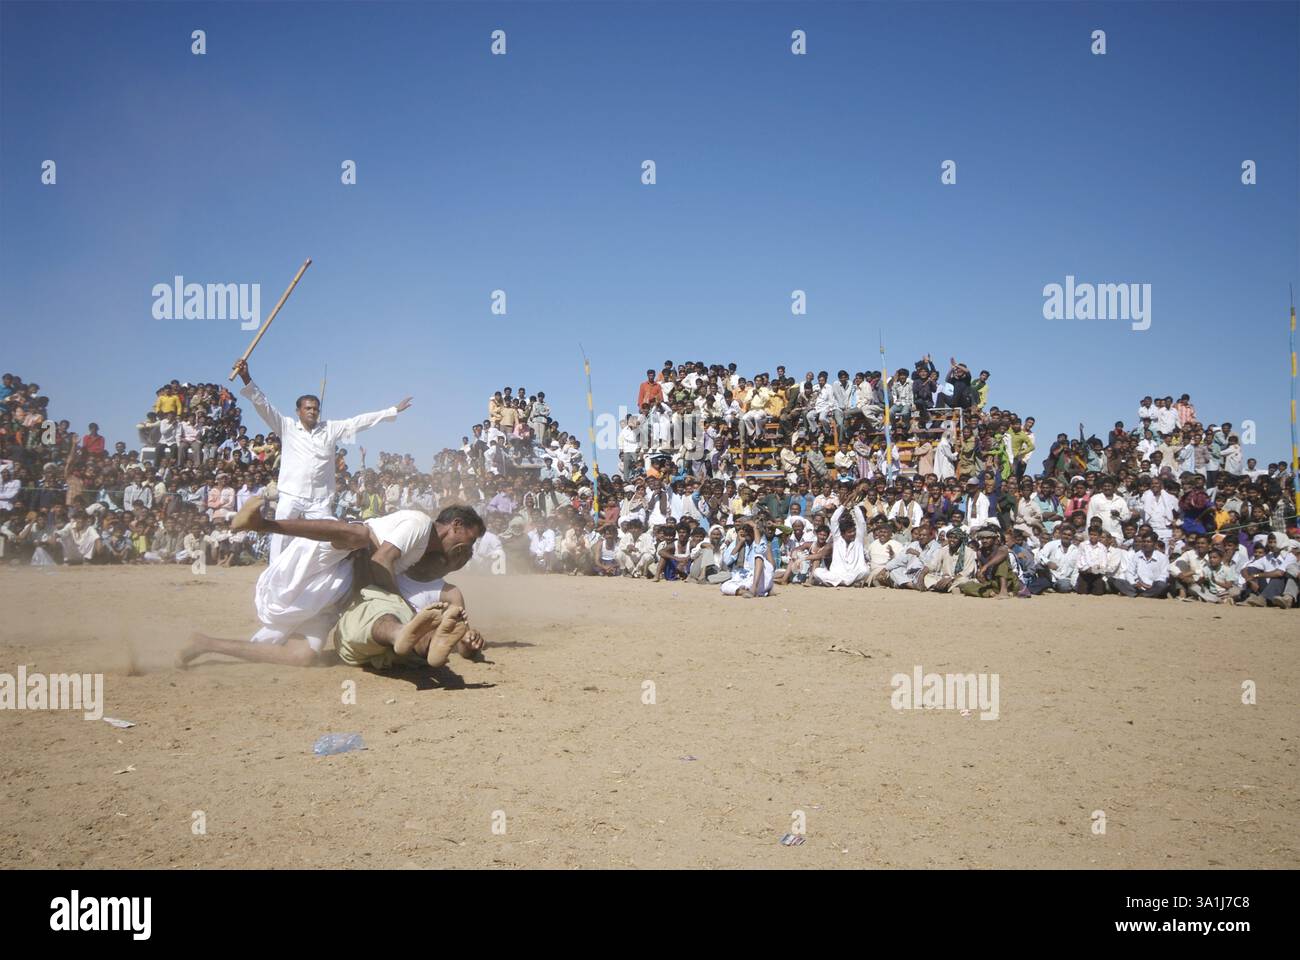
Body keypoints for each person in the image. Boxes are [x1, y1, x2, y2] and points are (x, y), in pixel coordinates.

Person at [178, 501, 484, 667]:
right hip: (332, 557)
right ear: (456, 525)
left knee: (303, 656)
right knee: (359, 536)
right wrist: (398, 609)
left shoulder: (421, 555)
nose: (468, 548)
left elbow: (427, 581)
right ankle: (264, 525)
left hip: (333, 592)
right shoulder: (418, 524)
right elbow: (380, 560)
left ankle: (204, 644)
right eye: (470, 540)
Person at [232, 358, 412, 562]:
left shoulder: (330, 429)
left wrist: (392, 411)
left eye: (315, 409)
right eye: (307, 408)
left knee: (326, 540)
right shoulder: (287, 427)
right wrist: (246, 377)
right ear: (298, 411)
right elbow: (262, 405)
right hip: (291, 494)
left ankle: (318, 578)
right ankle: (275, 573)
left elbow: (359, 422)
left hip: (320, 499)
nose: (312, 411)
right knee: (281, 537)